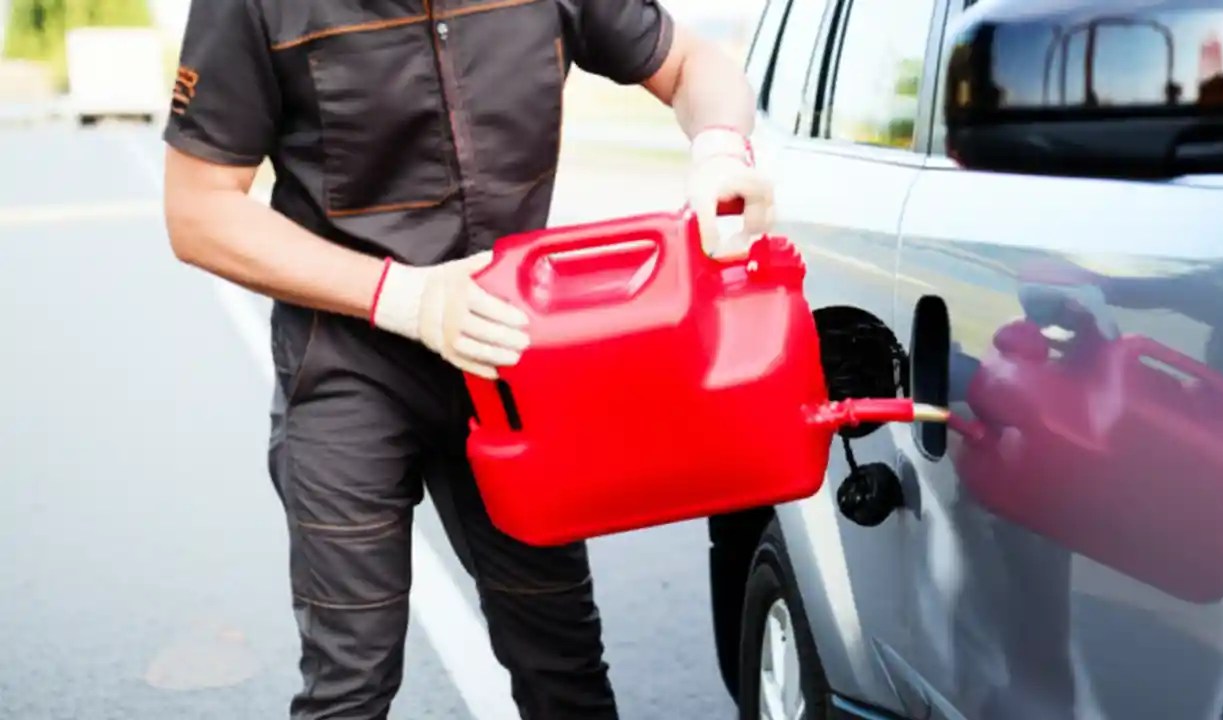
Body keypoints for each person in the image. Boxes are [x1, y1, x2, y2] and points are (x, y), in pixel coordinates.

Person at [161, 0, 774, 718]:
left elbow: (694, 63)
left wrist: (721, 151)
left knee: (564, 672)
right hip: (347, 370)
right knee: (349, 686)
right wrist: (405, 298)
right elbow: (198, 211)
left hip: (508, 370)